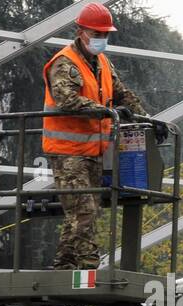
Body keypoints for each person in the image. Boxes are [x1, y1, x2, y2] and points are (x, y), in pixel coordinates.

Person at [41, 3, 165, 270]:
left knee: (82, 212)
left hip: (93, 152)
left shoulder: (102, 63)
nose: (100, 39)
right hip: (67, 153)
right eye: (95, 34)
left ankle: (63, 266)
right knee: (83, 212)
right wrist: (108, 112)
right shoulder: (65, 63)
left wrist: (149, 120)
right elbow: (67, 100)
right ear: (80, 31)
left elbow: (123, 94)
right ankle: (88, 267)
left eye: (104, 34)